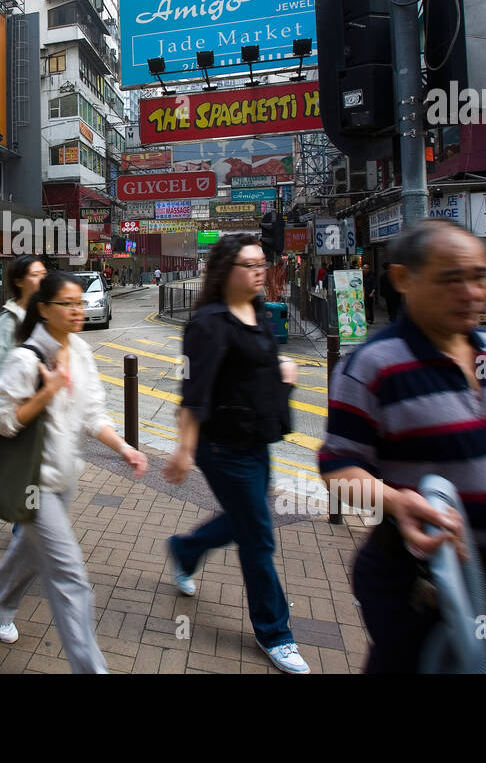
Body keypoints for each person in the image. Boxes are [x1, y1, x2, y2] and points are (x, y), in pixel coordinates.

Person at [319, 218, 486, 673]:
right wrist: (397, 503)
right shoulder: (372, 365)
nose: (472, 292)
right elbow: (339, 473)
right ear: (403, 279)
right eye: (451, 279)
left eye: (478, 276)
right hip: (427, 586)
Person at [0, 271, 147, 667]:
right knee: (71, 578)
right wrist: (48, 392)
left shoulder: (80, 351)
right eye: (68, 304)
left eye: (80, 303)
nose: (79, 310)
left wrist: (124, 447)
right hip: (33, 482)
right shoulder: (26, 359)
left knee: (28, 553)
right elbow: (2, 419)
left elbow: (92, 414)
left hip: (64, 478)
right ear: (44, 309)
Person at [162, 233, 309, 675]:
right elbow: (194, 392)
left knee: (246, 520)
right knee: (258, 536)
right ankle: (276, 633)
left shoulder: (260, 312)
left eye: (262, 262)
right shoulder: (207, 323)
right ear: (227, 271)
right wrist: (185, 449)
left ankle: (185, 549)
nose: (259, 270)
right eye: (249, 264)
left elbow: (254, 368)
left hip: (256, 439)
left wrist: (283, 372)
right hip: (222, 446)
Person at [0, 255, 47, 396]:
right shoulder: (9, 320)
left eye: (44, 274)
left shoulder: (47, 312)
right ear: (19, 282)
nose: (43, 279)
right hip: (20, 402)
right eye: (35, 275)